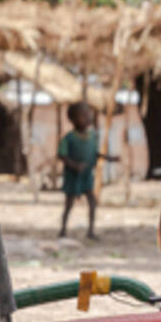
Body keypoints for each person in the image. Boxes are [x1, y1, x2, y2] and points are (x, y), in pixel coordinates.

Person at [56, 101, 111, 239]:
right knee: (69, 204)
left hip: (86, 176)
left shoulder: (92, 136)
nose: (88, 117)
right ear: (73, 119)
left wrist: (109, 158)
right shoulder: (69, 138)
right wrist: (74, 165)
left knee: (92, 201)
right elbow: (61, 155)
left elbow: (95, 153)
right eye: (83, 115)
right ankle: (63, 229)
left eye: (88, 114)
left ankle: (91, 231)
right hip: (73, 176)